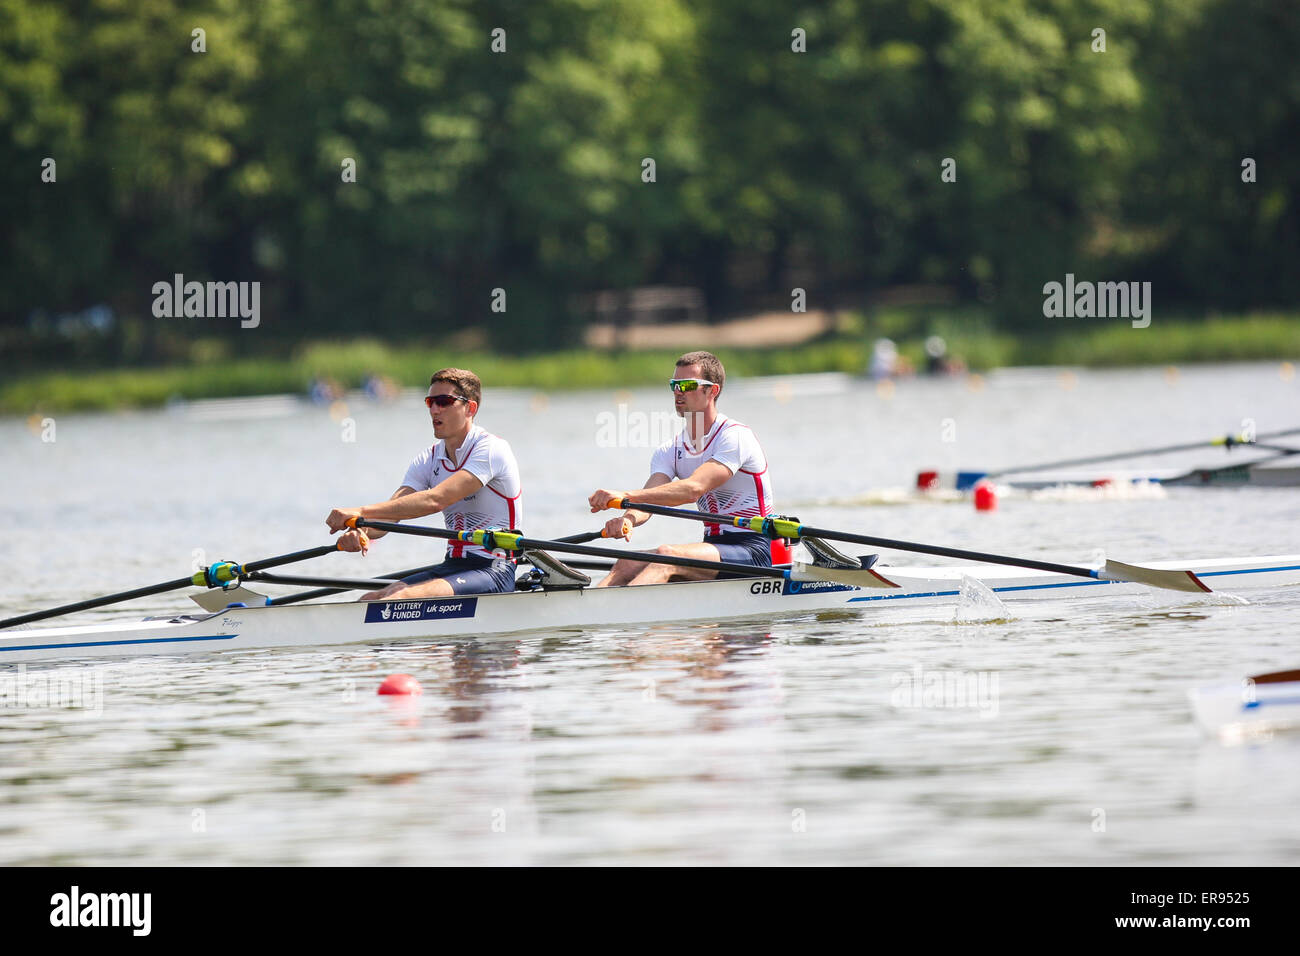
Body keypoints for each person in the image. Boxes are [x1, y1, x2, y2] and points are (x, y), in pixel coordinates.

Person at [586, 350, 781, 586]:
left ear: (712, 390)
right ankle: (595, 615)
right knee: (626, 562)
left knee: (667, 556)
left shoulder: (735, 437)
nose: (679, 392)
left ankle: (620, 613)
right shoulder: (670, 450)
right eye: (674, 385)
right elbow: (648, 503)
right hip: (713, 546)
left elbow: (693, 489)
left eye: (688, 385)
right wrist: (628, 518)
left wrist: (624, 495)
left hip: (753, 550)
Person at [325, 367, 523, 599]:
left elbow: (435, 500)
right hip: (453, 565)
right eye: (430, 402)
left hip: (493, 570)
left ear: (470, 408)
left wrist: (360, 510)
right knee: (370, 599)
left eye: (444, 401)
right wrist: (363, 530)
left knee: (397, 598)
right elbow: (392, 514)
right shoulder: (428, 459)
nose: (434, 410)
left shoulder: (491, 449)